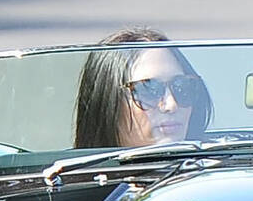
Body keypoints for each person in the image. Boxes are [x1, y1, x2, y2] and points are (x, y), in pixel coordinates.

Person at [73, 27, 213, 149]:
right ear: (106, 103)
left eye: (182, 87)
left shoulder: (216, 174)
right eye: (148, 89)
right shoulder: (62, 178)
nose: (171, 105)